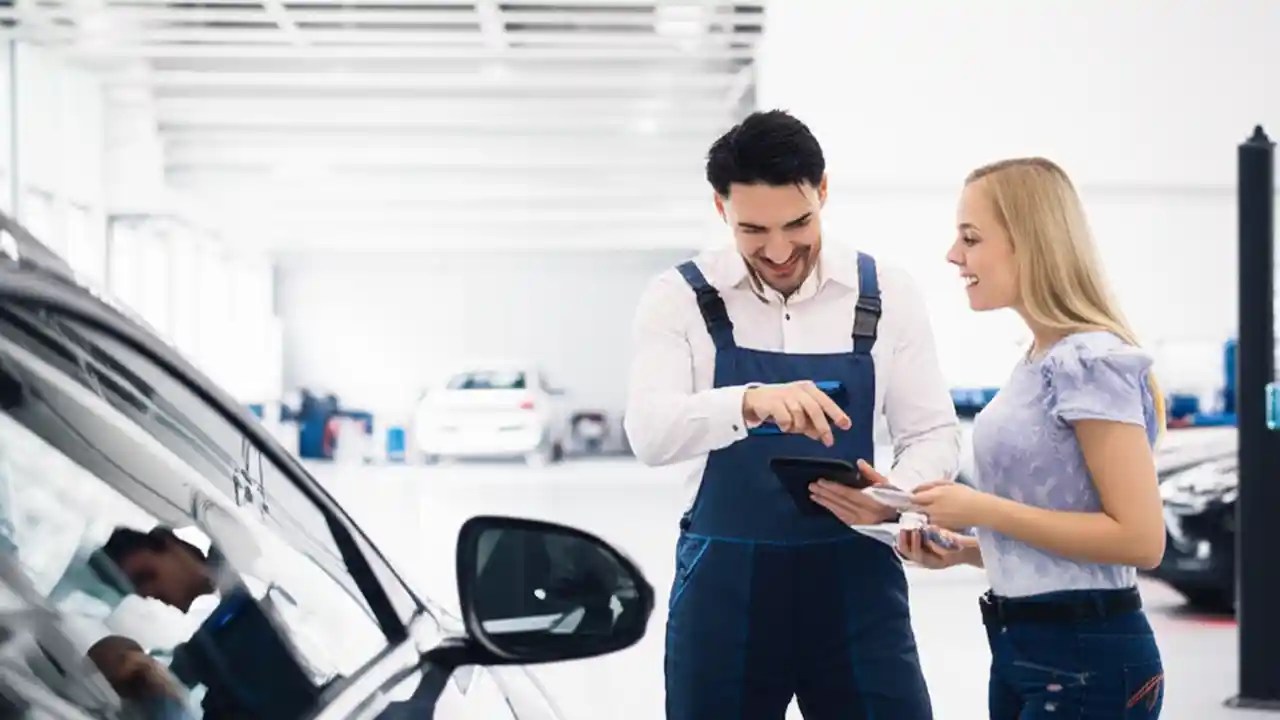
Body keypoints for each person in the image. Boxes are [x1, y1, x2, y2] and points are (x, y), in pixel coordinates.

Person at [624, 109, 961, 720]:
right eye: (753, 229)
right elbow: (648, 433)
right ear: (721, 208)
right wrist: (746, 402)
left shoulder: (886, 293)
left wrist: (896, 496)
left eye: (798, 223)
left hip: (857, 585)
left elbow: (932, 431)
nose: (779, 250)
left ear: (823, 192)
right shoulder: (678, 297)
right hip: (724, 595)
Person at [896, 157, 1167, 719]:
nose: (954, 255)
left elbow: (1141, 540)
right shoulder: (1038, 358)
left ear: (1030, 243)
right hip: (1027, 645)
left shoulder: (1089, 360)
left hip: (1084, 658)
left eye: (970, 238)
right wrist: (970, 552)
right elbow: (1068, 542)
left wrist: (982, 511)